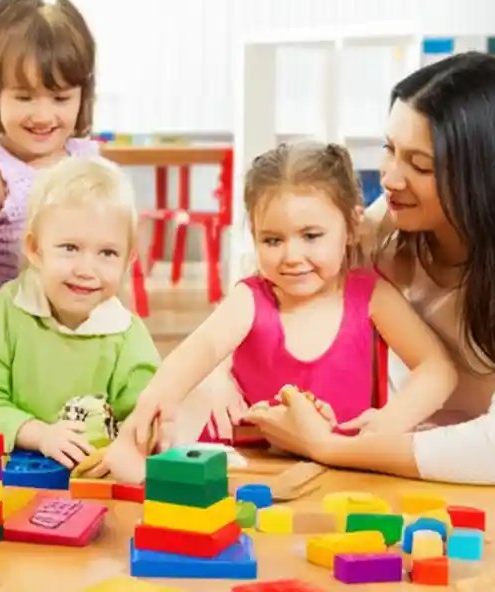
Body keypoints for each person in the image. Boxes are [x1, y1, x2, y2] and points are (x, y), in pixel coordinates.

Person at [242, 53, 495, 588]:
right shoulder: (392, 227)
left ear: (482, 170)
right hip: (406, 473)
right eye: (390, 150)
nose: (390, 179)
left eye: (420, 165)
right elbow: (273, 285)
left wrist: (334, 446)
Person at [118, 140, 457, 455]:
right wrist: (162, 394)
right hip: (251, 471)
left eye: (311, 236)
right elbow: (205, 345)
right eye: (272, 240)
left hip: (346, 472)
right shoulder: (251, 298)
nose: (292, 255)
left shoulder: (371, 296)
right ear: (253, 234)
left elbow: (437, 368)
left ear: (352, 226)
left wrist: (389, 422)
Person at [0, 0, 101, 426]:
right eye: (24, 97)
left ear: (82, 94)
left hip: (79, 351)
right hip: (9, 354)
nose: (43, 115)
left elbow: (111, 275)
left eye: (61, 97)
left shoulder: (88, 162)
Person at [0, 157, 158, 469]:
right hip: (11, 474)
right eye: (69, 248)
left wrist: (139, 439)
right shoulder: (9, 309)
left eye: (107, 253)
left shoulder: (126, 334)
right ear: (35, 249)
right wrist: (39, 435)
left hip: (92, 477)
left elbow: (143, 416)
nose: (85, 270)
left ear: (127, 260)